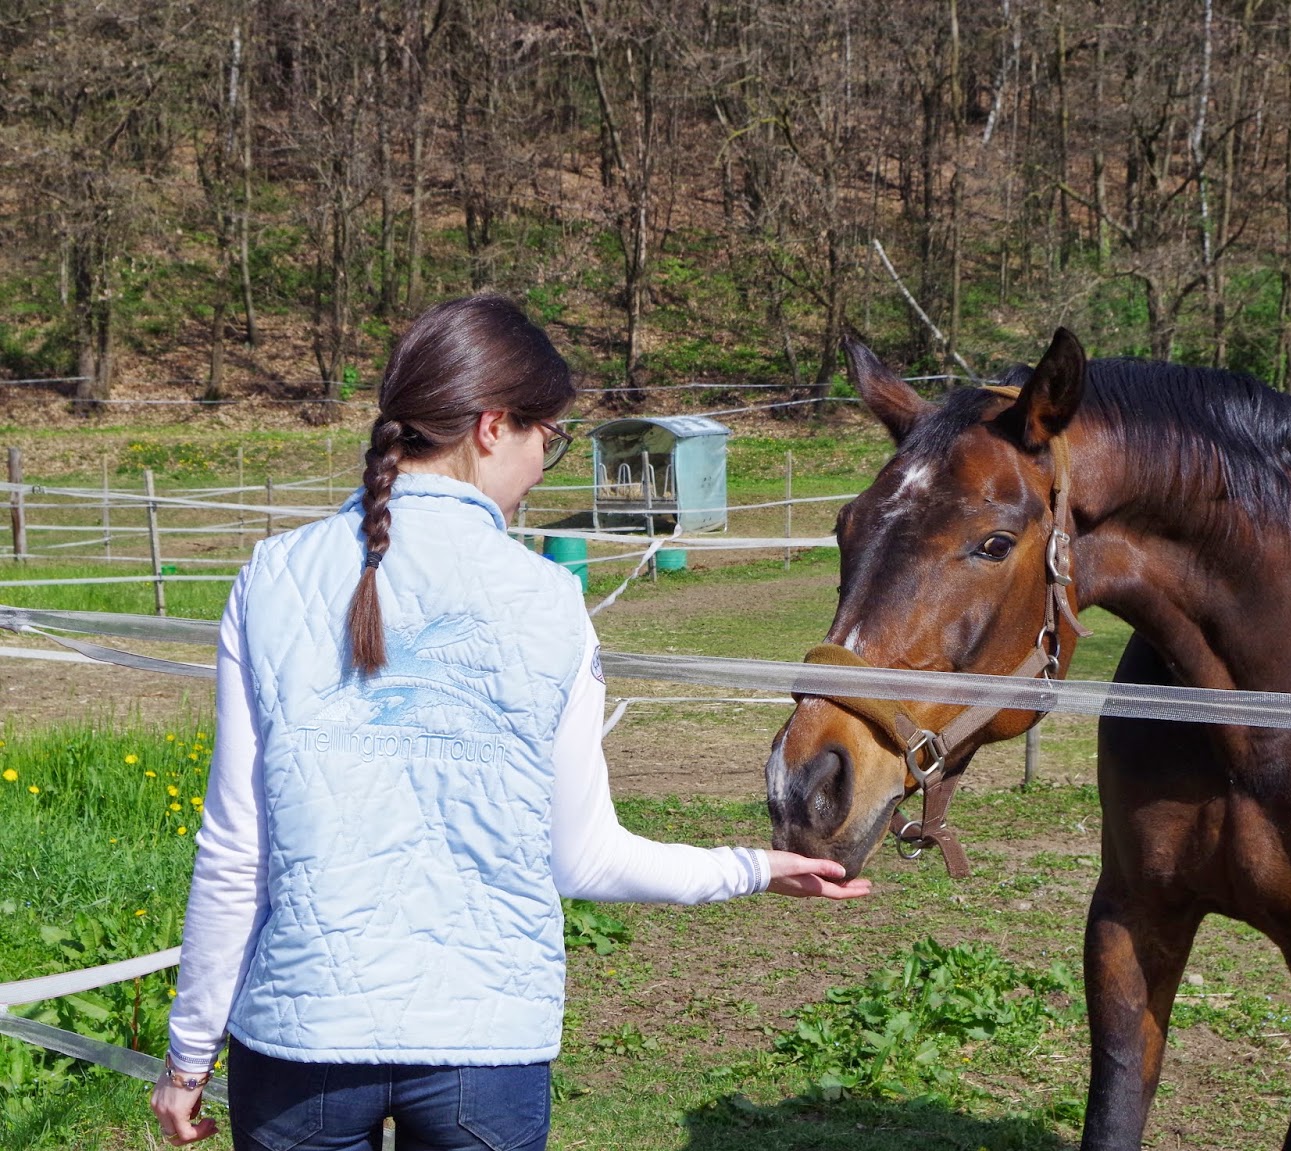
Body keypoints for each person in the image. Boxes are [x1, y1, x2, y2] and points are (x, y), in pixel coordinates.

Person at [150, 294, 870, 1150]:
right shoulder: (549, 600)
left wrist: (189, 1056)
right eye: (548, 438)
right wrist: (750, 868)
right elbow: (585, 855)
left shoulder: (271, 575)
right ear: (493, 426)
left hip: (298, 1043)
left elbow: (237, 851)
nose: (544, 464)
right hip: (482, 1049)